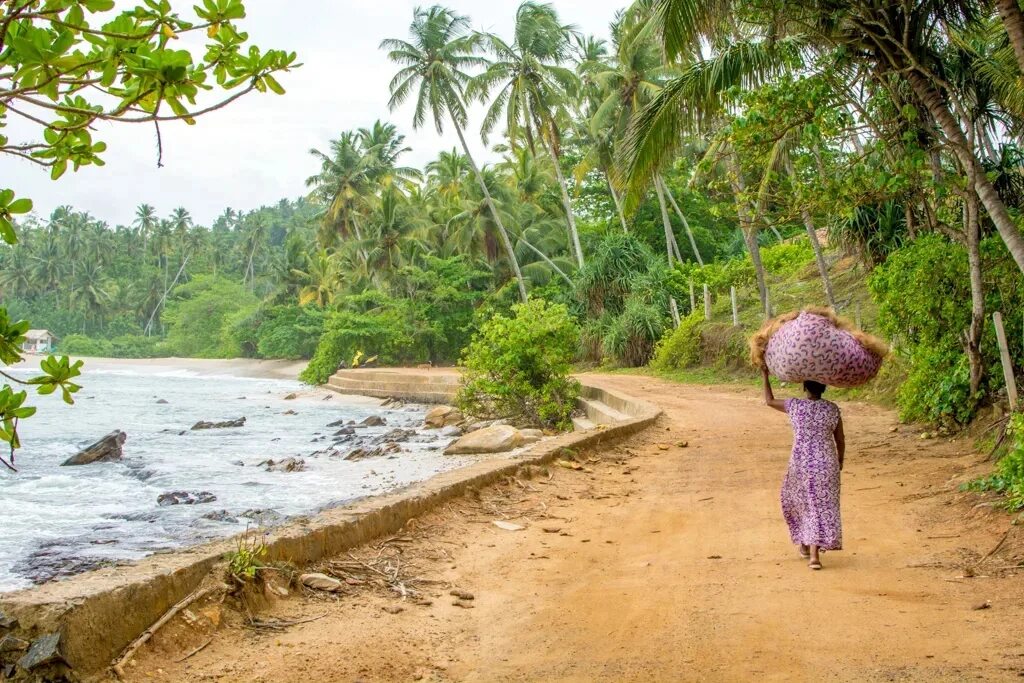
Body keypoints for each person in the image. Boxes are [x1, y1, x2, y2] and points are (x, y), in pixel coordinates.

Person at [761, 366, 845, 570]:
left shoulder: (795, 406)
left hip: (801, 464)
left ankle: (814, 556)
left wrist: (765, 376)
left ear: (804, 387)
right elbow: (840, 440)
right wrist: (840, 461)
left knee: (805, 503)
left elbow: (770, 401)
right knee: (820, 506)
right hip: (827, 464)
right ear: (824, 387)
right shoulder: (832, 409)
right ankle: (806, 546)